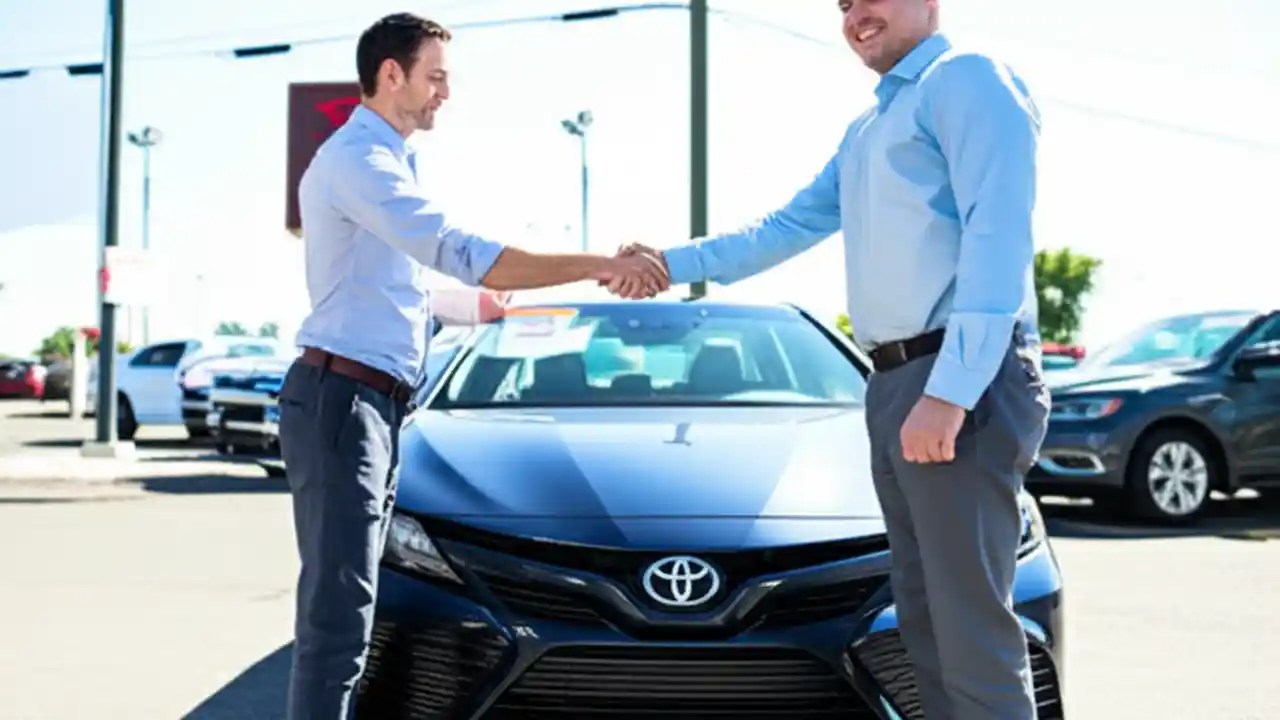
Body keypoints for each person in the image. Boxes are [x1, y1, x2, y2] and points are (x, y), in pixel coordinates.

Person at [612, 1, 1049, 718]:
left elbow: (998, 239)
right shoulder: (871, 127)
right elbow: (787, 226)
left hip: (956, 379)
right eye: (842, 4)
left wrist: (952, 391)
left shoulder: (968, 80)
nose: (854, 15)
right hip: (897, 383)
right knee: (927, 628)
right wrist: (667, 262)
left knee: (972, 634)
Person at [277, 13, 668, 720]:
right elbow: (458, 247)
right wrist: (601, 264)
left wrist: (476, 307)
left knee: (352, 614)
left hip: (368, 400)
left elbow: (401, 287)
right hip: (343, 401)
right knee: (338, 619)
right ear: (390, 73)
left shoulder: (392, 158)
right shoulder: (358, 162)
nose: (445, 94)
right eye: (436, 76)